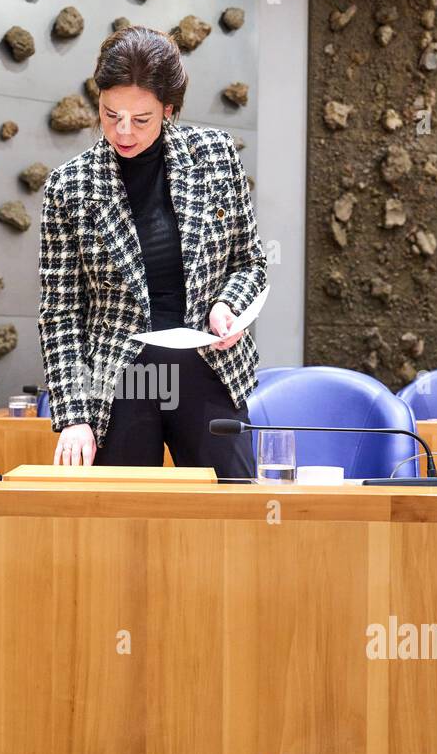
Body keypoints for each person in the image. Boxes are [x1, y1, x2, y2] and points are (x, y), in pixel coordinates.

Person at [37, 26, 267, 475]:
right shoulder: (69, 186)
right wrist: (74, 415)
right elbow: (61, 313)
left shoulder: (216, 157)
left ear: (169, 109)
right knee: (119, 526)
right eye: (109, 114)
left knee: (231, 514)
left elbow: (251, 264)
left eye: (141, 119)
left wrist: (229, 306)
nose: (123, 132)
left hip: (208, 367)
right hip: (119, 378)